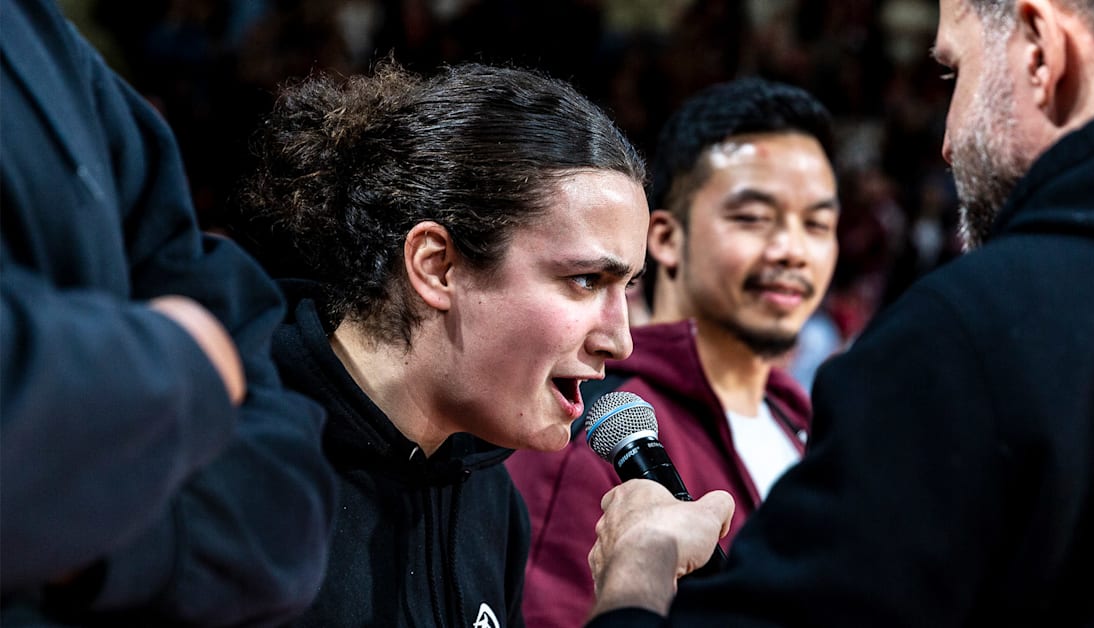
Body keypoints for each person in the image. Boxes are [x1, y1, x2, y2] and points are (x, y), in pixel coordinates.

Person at [586, 0, 1094, 625]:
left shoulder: (967, 340)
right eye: (751, 216)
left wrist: (636, 570)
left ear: (1041, 51)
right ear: (666, 237)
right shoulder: (595, 434)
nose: (948, 143)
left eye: (954, 73)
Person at [227, 60, 649, 627]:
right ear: (438, 267)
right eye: (585, 280)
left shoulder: (490, 498)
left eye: (628, 287)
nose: (620, 341)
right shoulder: (231, 464)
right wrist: (634, 589)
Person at [0, 0, 337, 625]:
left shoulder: (47, 42)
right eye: (576, 279)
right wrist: (187, 359)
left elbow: (284, 510)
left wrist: (78, 536)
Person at [506, 77, 841, 628]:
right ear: (664, 239)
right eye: (754, 217)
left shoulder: (806, 422)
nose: (792, 250)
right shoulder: (583, 431)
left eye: (818, 224)